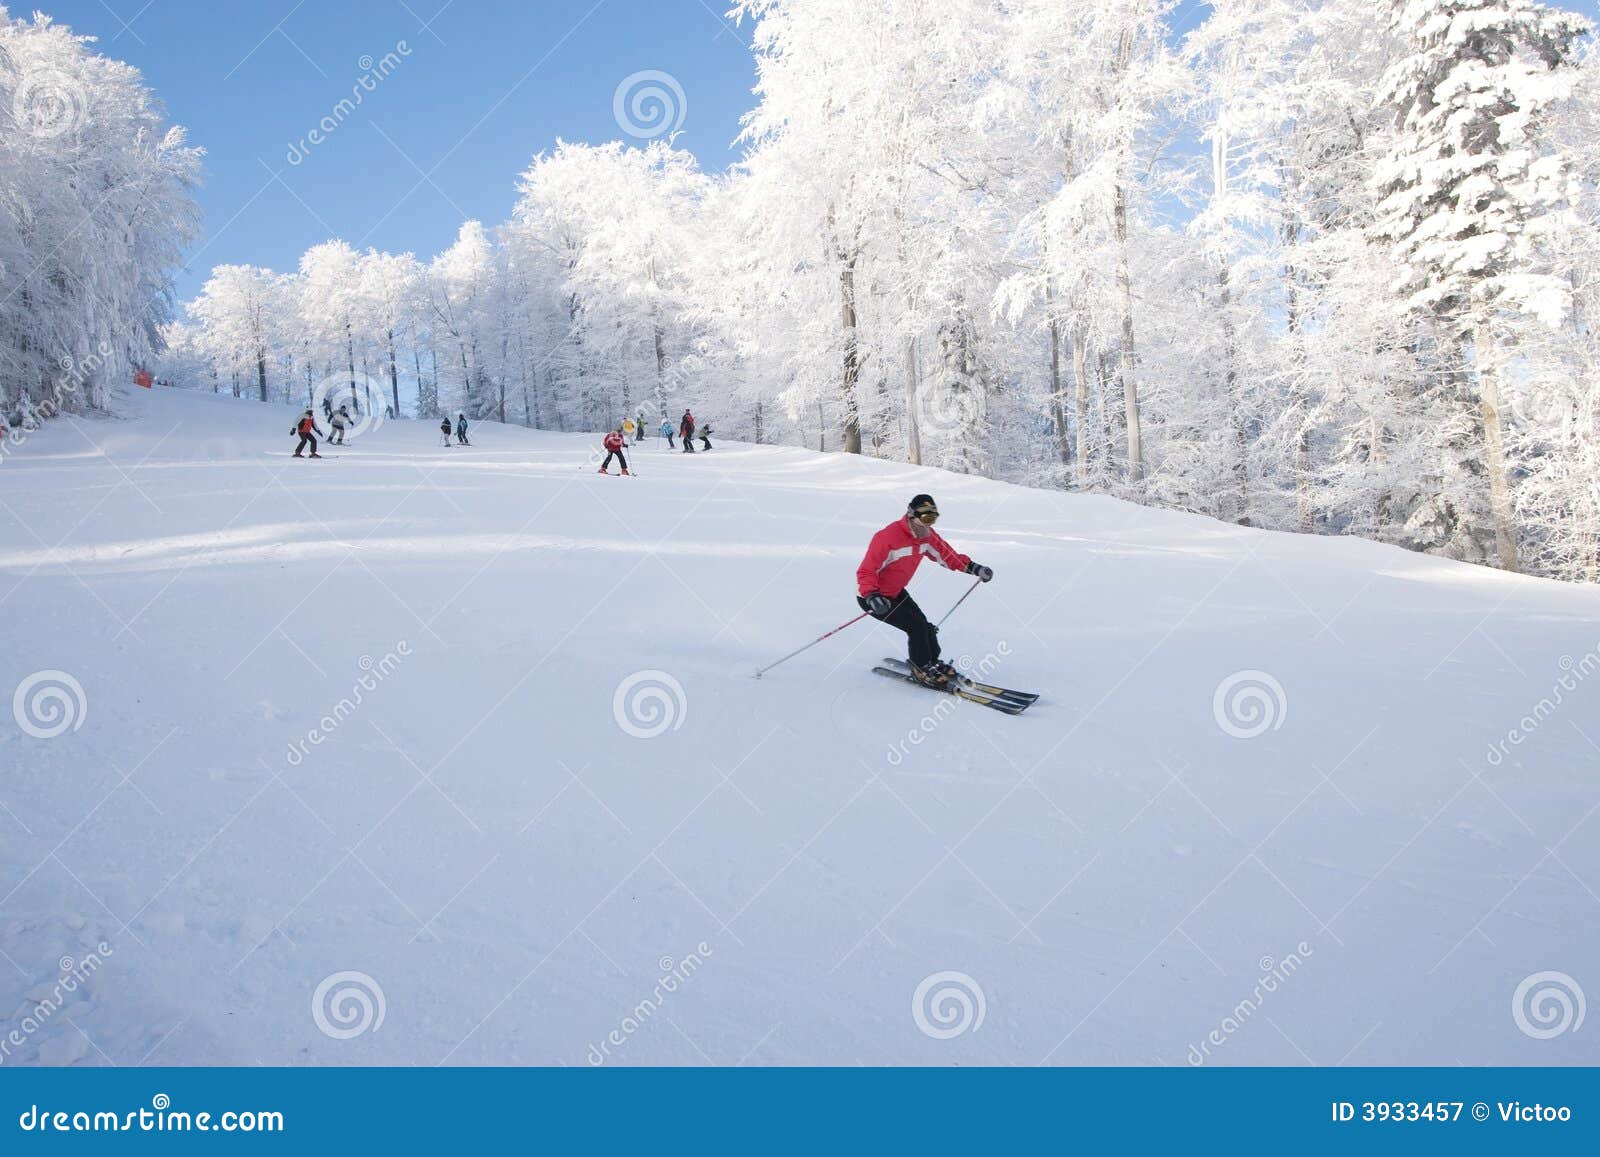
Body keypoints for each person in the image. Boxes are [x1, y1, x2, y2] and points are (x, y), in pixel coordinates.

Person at [855, 494, 993, 688]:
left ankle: (932, 662)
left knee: (925, 626)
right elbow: (866, 570)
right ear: (911, 515)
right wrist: (872, 596)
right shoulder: (887, 537)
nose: (928, 525)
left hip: (895, 592)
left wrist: (974, 568)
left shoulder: (927, 537)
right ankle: (921, 668)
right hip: (873, 597)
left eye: (933, 518)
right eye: (926, 518)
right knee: (916, 626)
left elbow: (948, 556)